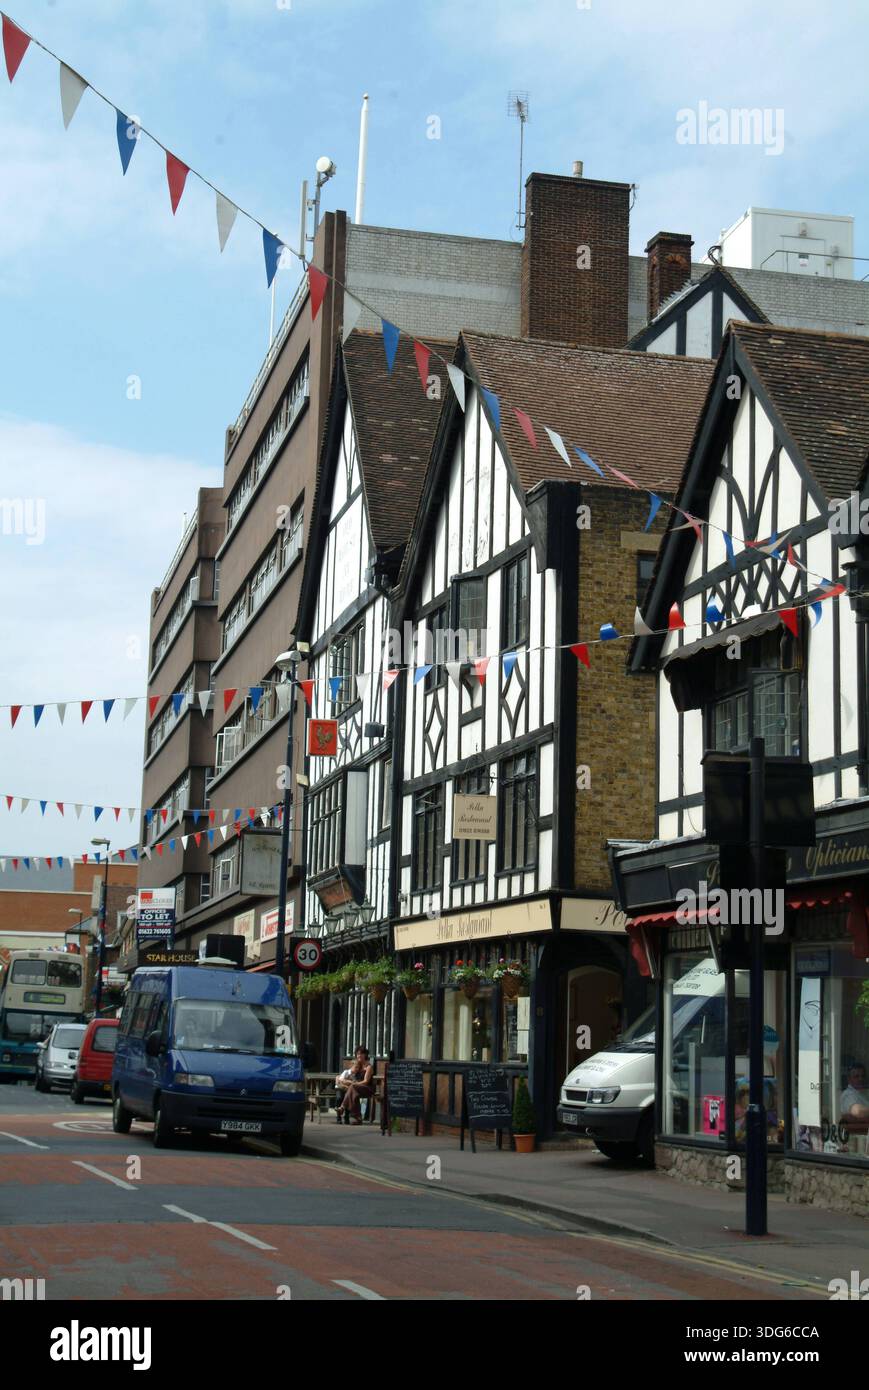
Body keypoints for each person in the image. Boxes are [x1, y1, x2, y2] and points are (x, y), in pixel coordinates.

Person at [336, 1045, 373, 1125]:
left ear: (365, 1055)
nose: (359, 1055)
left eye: (361, 1054)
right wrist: (342, 1078)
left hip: (367, 1089)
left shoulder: (368, 1067)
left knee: (352, 1088)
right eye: (357, 1054)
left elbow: (366, 1081)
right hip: (357, 1088)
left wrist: (354, 1084)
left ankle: (342, 1108)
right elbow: (348, 1072)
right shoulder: (358, 1066)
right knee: (353, 1092)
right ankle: (358, 1118)